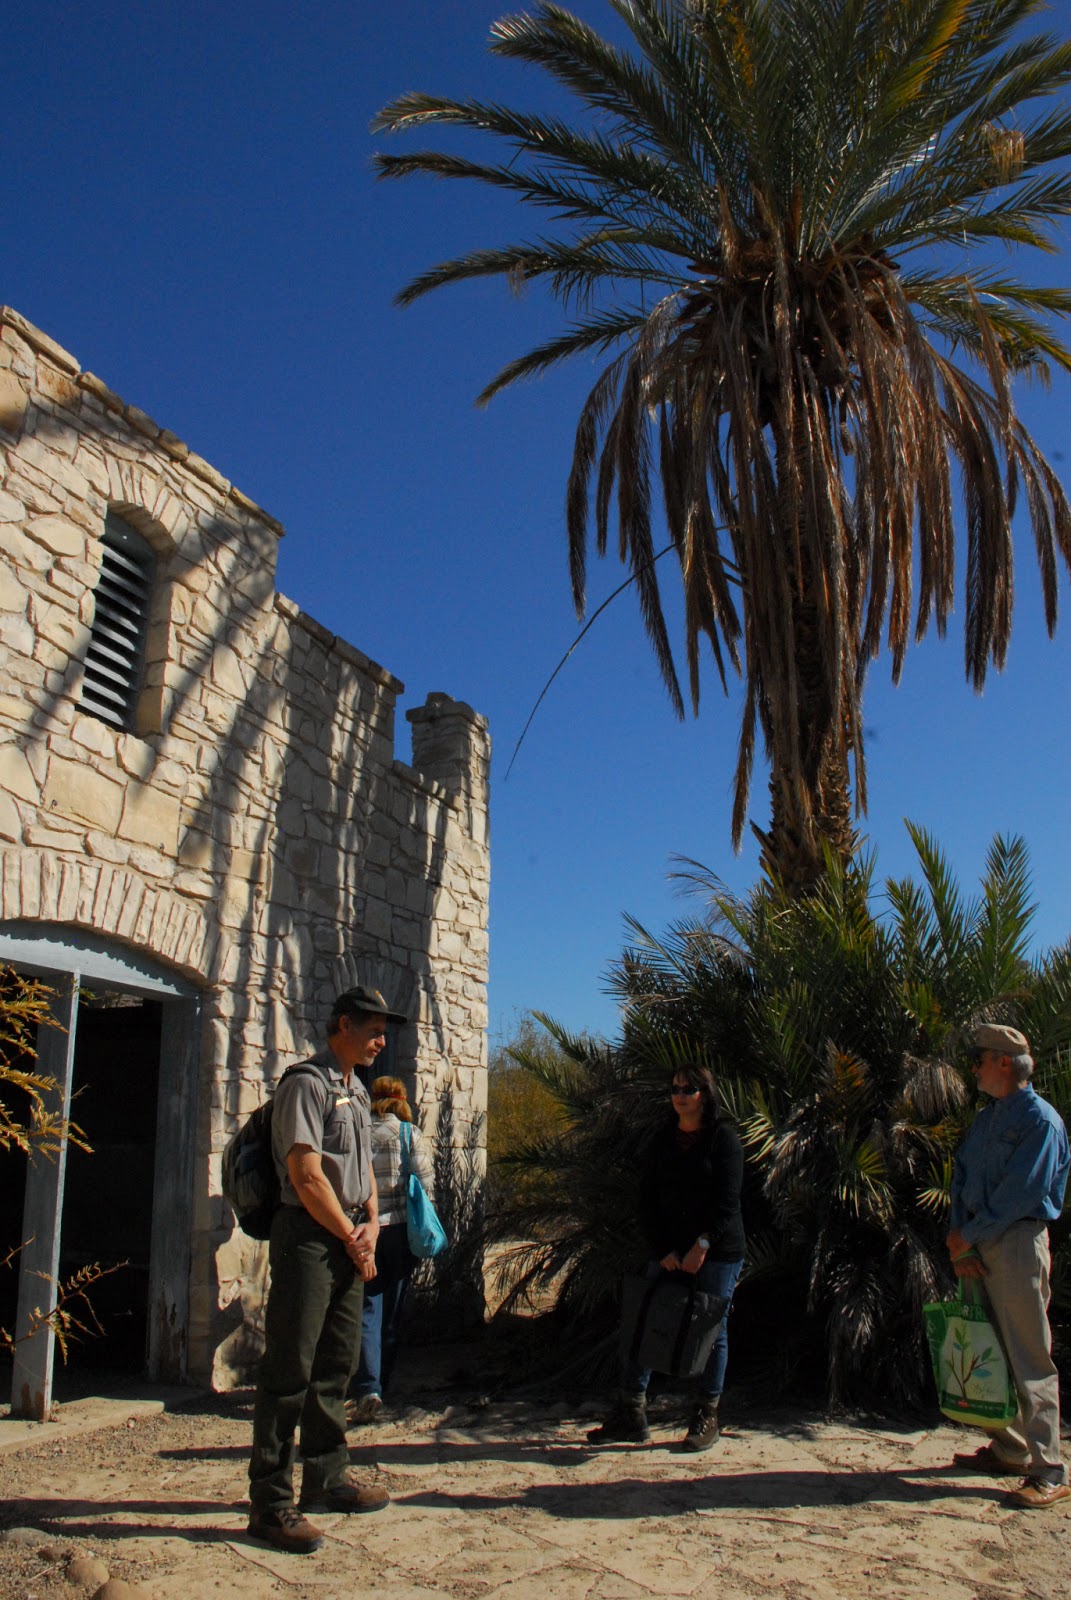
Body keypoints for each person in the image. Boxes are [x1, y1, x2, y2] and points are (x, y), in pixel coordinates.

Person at [247, 985, 407, 1554]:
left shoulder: (356, 1092)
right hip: (310, 1239)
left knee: (335, 1363)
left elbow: (359, 1171)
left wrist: (369, 1223)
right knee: (290, 1365)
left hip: (347, 1239)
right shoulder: (305, 1085)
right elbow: (308, 1175)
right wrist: (350, 1235)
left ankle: (326, 1479)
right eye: (373, 1030)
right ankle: (269, 1504)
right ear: (344, 1025)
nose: (381, 1041)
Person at [587, 1062, 745, 1452]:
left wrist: (702, 1246)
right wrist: (664, 1251)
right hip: (673, 1251)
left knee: (713, 1327)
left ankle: (706, 1413)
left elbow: (727, 1202)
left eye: (688, 1088)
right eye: (674, 1087)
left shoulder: (723, 1140)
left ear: (704, 1095)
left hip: (718, 1251)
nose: (679, 1095)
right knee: (646, 1314)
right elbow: (648, 1201)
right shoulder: (663, 1140)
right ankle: (631, 1411)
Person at [947, 1022, 1070, 1510]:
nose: (974, 1067)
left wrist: (968, 1236)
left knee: (1029, 1356)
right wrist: (961, 1241)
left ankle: (1049, 1470)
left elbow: (1023, 1192)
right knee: (988, 1349)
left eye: (979, 1058)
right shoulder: (989, 1118)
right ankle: (1011, 1449)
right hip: (977, 1245)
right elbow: (961, 1175)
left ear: (1003, 1062)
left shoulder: (1040, 1120)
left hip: (1015, 1245)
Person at [347, 1075, 436, 1423]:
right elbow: (426, 1181)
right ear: (400, 1100)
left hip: (367, 1229)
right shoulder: (408, 1133)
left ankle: (368, 1386)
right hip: (400, 1231)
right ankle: (383, 1381)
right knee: (393, 1311)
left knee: (369, 1306)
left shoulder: (361, 1132)